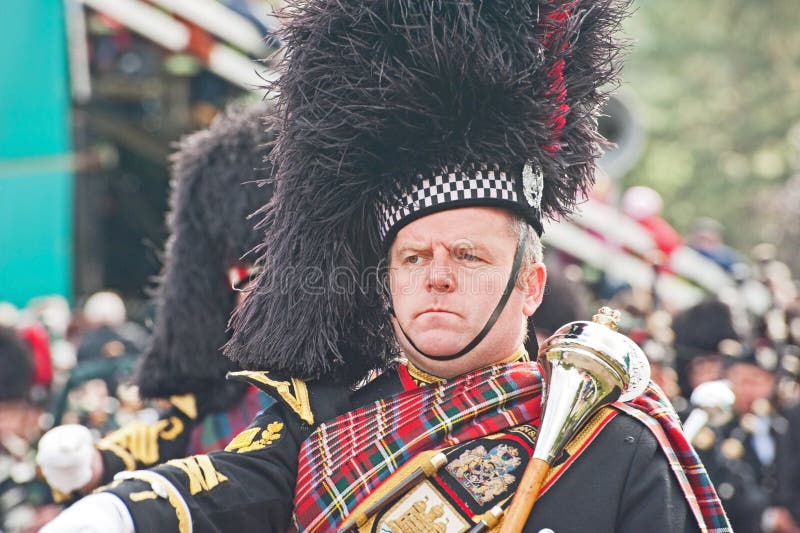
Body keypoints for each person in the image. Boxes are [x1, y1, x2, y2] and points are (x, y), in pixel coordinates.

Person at [43, 1, 730, 531]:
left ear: (531, 284)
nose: (436, 274)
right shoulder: (323, 415)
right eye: (413, 256)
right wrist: (122, 509)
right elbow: (230, 481)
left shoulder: (618, 442)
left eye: (469, 255)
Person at [36, 103, 278, 499]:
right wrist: (93, 463)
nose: (251, 294)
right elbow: (159, 440)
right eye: (242, 277)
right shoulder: (219, 392)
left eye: (265, 276)